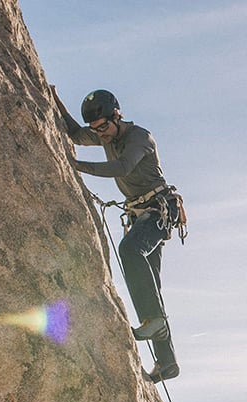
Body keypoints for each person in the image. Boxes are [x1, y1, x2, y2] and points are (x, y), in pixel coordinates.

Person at [55, 88, 182, 382]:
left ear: (116, 116)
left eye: (103, 127)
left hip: (160, 209)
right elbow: (74, 134)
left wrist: (75, 166)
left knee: (130, 251)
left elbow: (122, 166)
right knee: (150, 282)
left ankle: (154, 322)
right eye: (95, 130)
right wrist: (55, 99)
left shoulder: (140, 138)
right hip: (142, 214)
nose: (100, 134)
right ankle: (168, 362)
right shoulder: (104, 134)